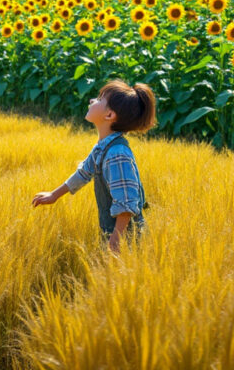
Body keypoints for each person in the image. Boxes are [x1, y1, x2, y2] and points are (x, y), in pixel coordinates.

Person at [32, 79, 156, 254]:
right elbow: (83, 173)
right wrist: (54, 195)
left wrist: (116, 239)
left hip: (126, 237)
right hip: (113, 230)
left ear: (109, 115)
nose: (92, 100)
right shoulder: (102, 147)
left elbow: (126, 202)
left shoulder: (117, 154)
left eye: (99, 99)